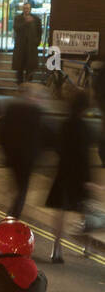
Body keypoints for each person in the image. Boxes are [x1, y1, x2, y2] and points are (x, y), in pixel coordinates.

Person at [46, 90, 90, 263]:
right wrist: (89, 180)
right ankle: (86, 247)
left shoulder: (64, 124)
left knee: (60, 212)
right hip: (79, 174)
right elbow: (84, 155)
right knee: (84, 212)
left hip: (63, 171)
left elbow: (58, 147)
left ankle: (56, 249)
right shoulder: (84, 127)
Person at [0, 85, 44, 219]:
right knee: (22, 188)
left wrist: (5, 152)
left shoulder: (11, 109)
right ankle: (13, 215)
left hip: (13, 155)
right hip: (27, 158)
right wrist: (38, 155)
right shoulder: (36, 112)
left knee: (17, 186)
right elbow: (39, 136)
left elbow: (2, 132)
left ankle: (12, 212)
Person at [12, 2, 42, 85]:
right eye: (25, 8)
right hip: (20, 48)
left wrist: (37, 42)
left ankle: (29, 86)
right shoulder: (18, 18)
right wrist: (26, 22)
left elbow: (39, 32)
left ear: (30, 9)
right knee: (19, 69)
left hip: (31, 48)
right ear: (22, 9)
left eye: (28, 8)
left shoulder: (36, 19)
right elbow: (16, 28)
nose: (26, 10)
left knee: (30, 69)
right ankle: (19, 86)